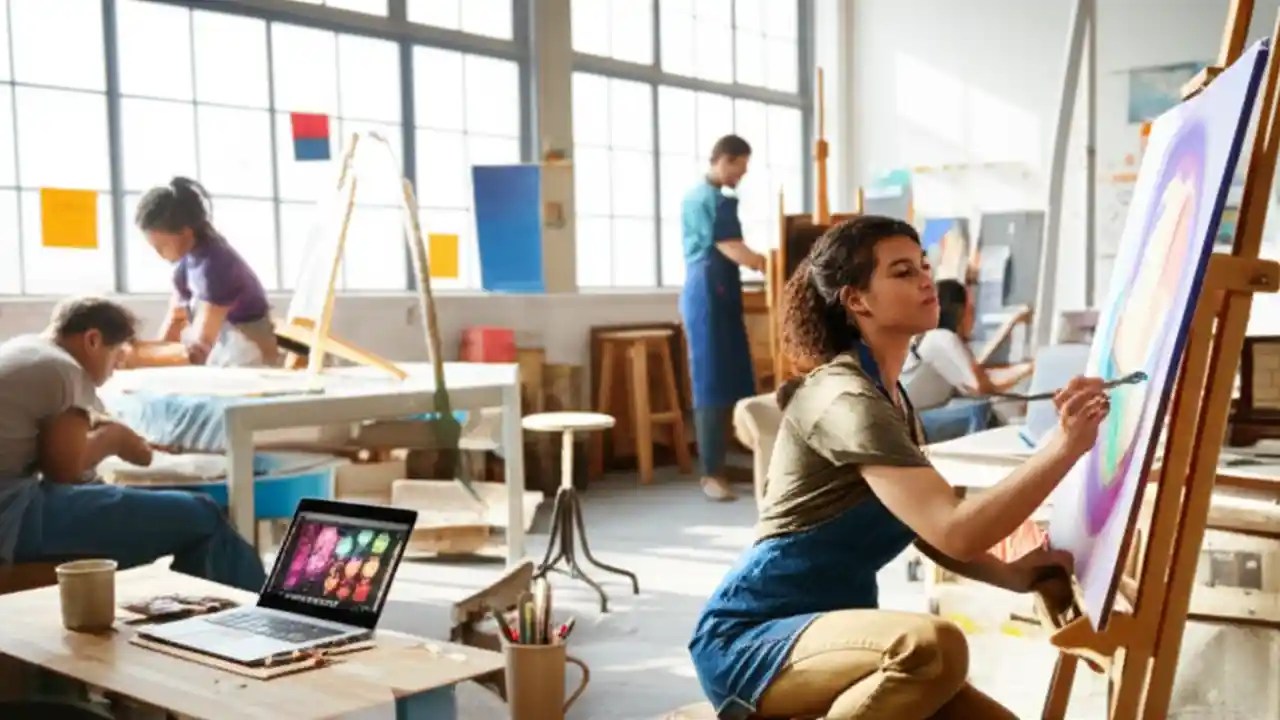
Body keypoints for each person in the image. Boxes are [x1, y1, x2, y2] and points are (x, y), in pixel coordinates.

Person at [687, 216, 1109, 719]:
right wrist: (1064, 446)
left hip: (831, 633)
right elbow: (955, 531)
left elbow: (927, 528)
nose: (927, 280)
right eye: (904, 272)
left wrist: (1020, 576)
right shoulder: (844, 398)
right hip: (754, 640)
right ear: (857, 300)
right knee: (930, 647)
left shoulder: (892, 399)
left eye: (924, 266)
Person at [0, 296, 267, 592]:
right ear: (93, 340)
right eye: (116, 355)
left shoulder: (24, 350)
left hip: (13, 505)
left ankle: (203, 608)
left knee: (173, 514)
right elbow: (65, 471)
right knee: (201, 514)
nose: (115, 368)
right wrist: (114, 440)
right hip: (12, 515)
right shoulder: (63, 369)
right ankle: (263, 611)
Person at [679, 135, 767, 502]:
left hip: (721, 292)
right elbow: (730, 246)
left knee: (736, 376)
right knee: (712, 382)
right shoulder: (710, 200)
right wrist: (767, 263)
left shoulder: (709, 197)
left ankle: (731, 461)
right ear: (724, 160)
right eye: (739, 168)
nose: (740, 176)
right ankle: (711, 472)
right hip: (707, 295)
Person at [130, 176, 277, 368]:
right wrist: (139, 354)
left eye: (162, 247)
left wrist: (140, 360)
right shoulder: (185, 264)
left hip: (247, 355)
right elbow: (175, 321)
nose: (159, 254)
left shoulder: (216, 265)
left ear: (186, 232)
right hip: (220, 349)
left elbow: (199, 350)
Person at [902, 279, 1035, 442]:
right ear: (958, 311)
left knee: (997, 404)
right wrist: (1030, 369)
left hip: (913, 422)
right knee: (981, 412)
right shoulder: (941, 339)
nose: (973, 317)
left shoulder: (935, 338)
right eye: (971, 310)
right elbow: (981, 386)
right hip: (908, 428)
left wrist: (1011, 324)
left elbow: (977, 370)